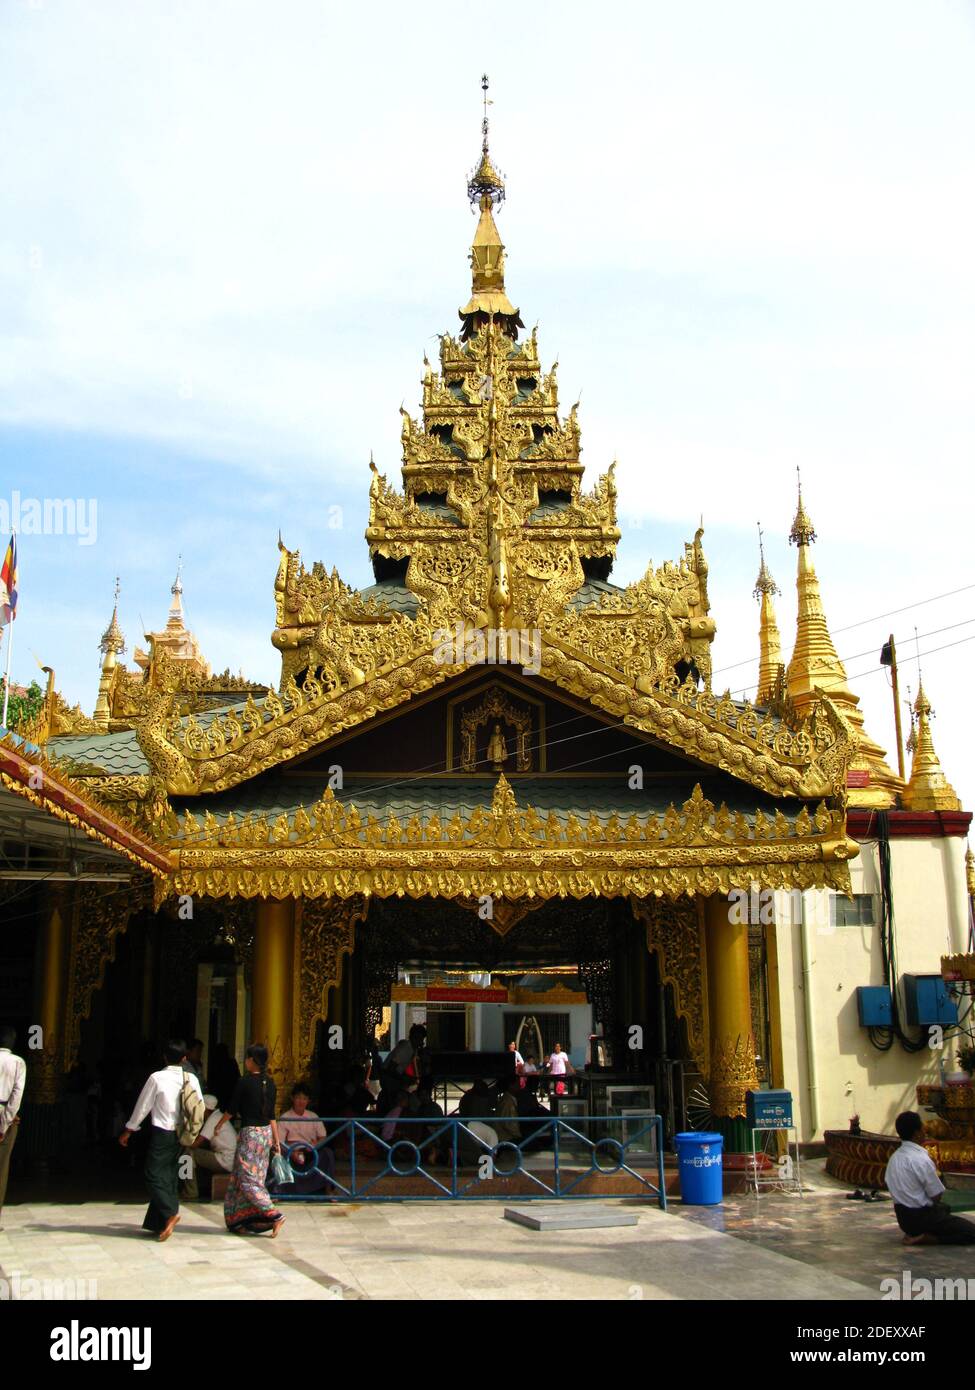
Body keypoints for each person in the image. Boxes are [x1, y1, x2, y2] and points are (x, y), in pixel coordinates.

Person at [119, 1038, 203, 1241]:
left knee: (152, 1174)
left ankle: (170, 1212)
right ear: (184, 1058)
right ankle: (159, 1222)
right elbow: (199, 1105)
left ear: (164, 1057)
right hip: (181, 1134)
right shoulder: (191, 1078)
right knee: (169, 1176)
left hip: (162, 1132)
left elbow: (143, 1106)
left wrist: (129, 1130)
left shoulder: (157, 1078)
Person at [215, 1043, 285, 1236]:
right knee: (245, 1176)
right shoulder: (270, 1083)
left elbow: (232, 1108)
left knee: (248, 1179)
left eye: (247, 1058)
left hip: (250, 1134)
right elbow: (271, 1116)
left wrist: (219, 1124)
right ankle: (242, 1219)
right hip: (265, 1135)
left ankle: (274, 1214)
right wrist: (276, 1141)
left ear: (252, 1061)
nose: (245, 1061)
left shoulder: (244, 1082)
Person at [885, 1111, 975, 1245]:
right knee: (971, 1232)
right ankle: (931, 1239)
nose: (924, 1131)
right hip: (922, 1218)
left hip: (904, 1220)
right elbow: (936, 1195)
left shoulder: (894, 1158)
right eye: (922, 1128)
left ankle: (920, 1233)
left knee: (944, 1209)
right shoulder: (920, 1158)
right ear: (916, 1133)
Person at [277, 1082, 336, 1192]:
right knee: (278, 1155)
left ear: (308, 1101)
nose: (301, 1101)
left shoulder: (313, 1116)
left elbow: (323, 1136)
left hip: (311, 1151)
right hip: (291, 1152)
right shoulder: (285, 1117)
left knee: (328, 1153)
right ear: (292, 1098)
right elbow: (280, 1141)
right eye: (298, 1098)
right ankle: (281, 1190)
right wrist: (291, 1152)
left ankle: (328, 1189)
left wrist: (314, 1146)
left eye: (304, 1098)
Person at [185, 1094, 238, 1197]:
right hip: (231, 1161)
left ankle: (190, 1191)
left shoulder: (213, 1119)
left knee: (187, 1154)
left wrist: (182, 1142)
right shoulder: (218, 1116)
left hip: (225, 1161)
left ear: (204, 1108)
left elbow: (195, 1144)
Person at [0, 1025, 26, 1226]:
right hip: (4, 1113)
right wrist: (6, 1122)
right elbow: (16, 1096)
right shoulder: (17, 1062)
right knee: (1, 1167)